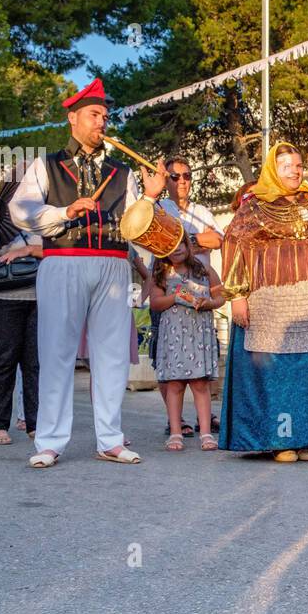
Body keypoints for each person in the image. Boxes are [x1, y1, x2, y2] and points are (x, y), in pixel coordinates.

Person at [10, 78, 168, 468]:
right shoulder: (45, 165)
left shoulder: (123, 171)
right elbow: (21, 211)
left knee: (112, 355)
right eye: (94, 115)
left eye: (105, 116)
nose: (102, 122)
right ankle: (48, 441)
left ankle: (110, 439)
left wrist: (150, 196)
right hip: (63, 260)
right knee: (56, 352)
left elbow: (137, 228)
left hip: (113, 264)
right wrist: (64, 213)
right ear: (73, 119)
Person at [217, 142, 308, 462]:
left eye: (298, 165)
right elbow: (236, 246)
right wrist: (237, 295)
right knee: (281, 374)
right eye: (287, 166)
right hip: (271, 306)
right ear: (272, 170)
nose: (295, 170)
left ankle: (306, 439)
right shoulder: (252, 207)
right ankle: (281, 441)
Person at [138, 155, 222, 437]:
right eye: (175, 176)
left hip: (199, 289)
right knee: (166, 359)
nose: (182, 181)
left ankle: (205, 417)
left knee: (201, 360)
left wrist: (184, 241)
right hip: (167, 285)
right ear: (166, 180)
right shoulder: (158, 208)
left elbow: (217, 240)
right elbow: (150, 240)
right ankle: (176, 421)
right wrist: (191, 242)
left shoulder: (202, 211)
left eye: (187, 176)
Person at [0, 170, 44, 445]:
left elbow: (54, 250)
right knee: (1, 361)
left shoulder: (43, 217)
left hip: (37, 297)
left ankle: (35, 423)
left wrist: (25, 250)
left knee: (35, 364)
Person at [150, 238, 222, 451]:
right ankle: (175, 432)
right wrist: (176, 297)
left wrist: (208, 302)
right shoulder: (161, 273)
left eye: (180, 245)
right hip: (174, 336)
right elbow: (155, 302)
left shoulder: (204, 270)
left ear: (189, 246)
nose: (177, 250)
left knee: (200, 383)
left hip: (198, 333)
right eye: (170, 247)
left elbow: (220, 297)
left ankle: (206, 433)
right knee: (175, 384)